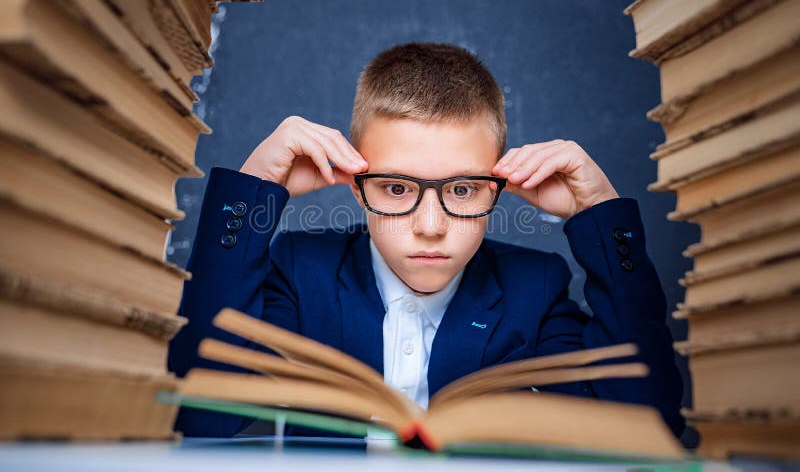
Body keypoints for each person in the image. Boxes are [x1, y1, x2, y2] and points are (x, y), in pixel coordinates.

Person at [167, 42, 685, 440]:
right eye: (396, 188)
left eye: (461, 189)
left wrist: (599, 211)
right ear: (355, 183)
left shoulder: (534, 287)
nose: (431, 225)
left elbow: (645, 422)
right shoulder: (304, 274)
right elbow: (201, 409)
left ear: (498, 185)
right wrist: (256, 187)